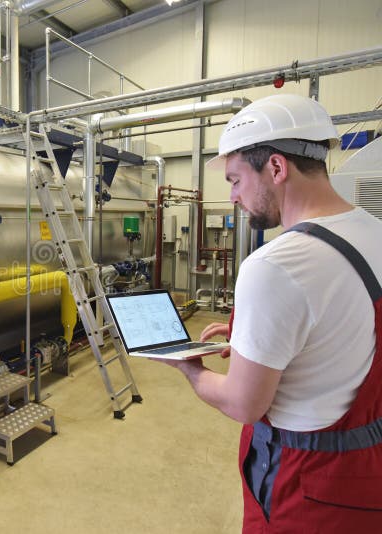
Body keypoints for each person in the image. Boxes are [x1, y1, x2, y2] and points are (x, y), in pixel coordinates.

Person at [156, 93, 382, 532]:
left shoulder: (275, 264)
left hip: (306, 486)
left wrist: (190, 369)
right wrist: (251, 333)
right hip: (366, 472)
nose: (233, 196)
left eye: (237, 180)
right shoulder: (373, 229)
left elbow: (244, 403)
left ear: (276, 167)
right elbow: (339, 326)